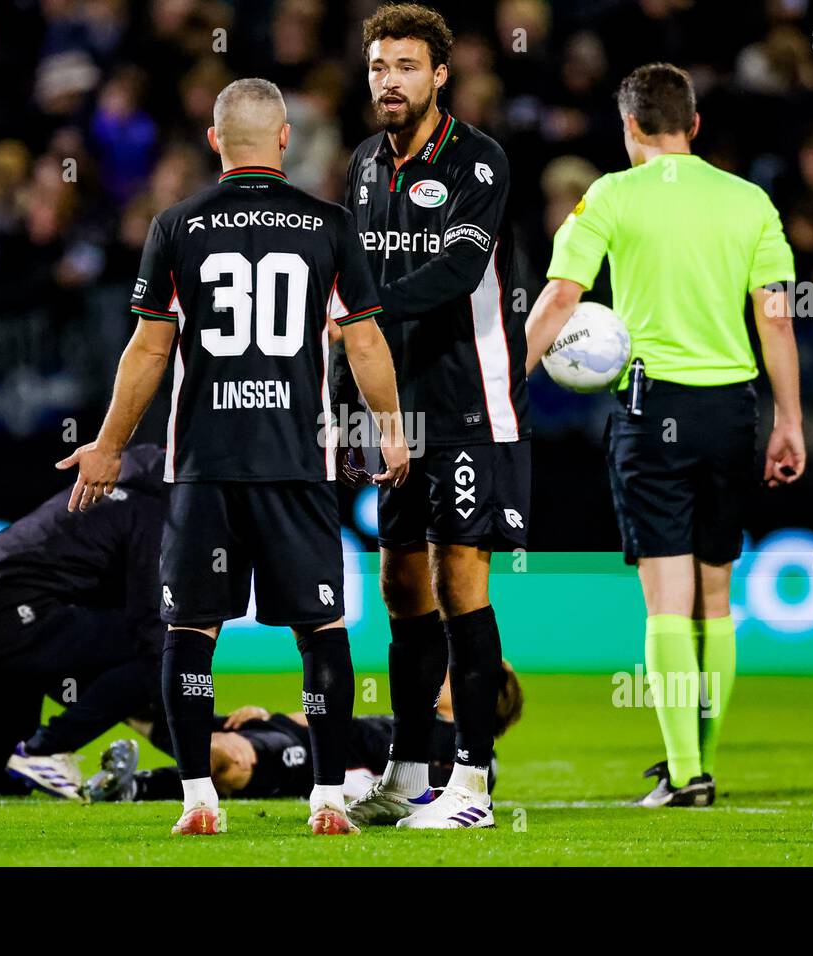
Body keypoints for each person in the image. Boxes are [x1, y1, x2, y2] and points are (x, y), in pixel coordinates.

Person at [57, 78, 408, 836]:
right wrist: (390, 427)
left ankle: (197, 799)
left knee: (190, 634)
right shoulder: (329, 224)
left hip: (206, 469)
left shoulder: (176, 225)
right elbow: (366, 339)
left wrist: (109, 447)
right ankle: (324, 796)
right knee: (321, 633)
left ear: (216, 142)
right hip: (295, 466)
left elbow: (149, 350)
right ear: (285, 139)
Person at [524, 63, 803, 808]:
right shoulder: (750, 201)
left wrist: (506, 378)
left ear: (629, 128)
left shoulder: (611, 195)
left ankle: (685, 775)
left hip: (654, 416)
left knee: (667, 603)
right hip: (733, 412)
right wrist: (792, 420)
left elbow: (559, 297)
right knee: (716, 597)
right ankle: (700, 762)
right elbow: (775, 317)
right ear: (695, 125)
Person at [334, 2, 530, 832]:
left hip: (467, 405)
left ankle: (474, 785)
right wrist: (352, 406)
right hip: (395, 411)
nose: (390, 80)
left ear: (439, 75)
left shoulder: (477, 163)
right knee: (400, 586)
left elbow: (457, 270)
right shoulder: (363, 167)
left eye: (406, 67)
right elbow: (351, 289)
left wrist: (362, 313)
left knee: (459, 586)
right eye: (380, 66)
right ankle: (409, 771)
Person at [0, 444, 168, 800]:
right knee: (161, 651)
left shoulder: (108, 492)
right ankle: (45, 751)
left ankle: (30, 755)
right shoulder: (151, 508)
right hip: (13, 622)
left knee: (0, 782)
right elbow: (150, 633)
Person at [84, 666, 524, 805]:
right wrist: (275, 716)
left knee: (236, 758)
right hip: (301, 736)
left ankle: (134, 784)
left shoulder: (465, 755)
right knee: (201, 728)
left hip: (311, 760)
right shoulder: (415, 723)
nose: (447, 669)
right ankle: (90, 717)